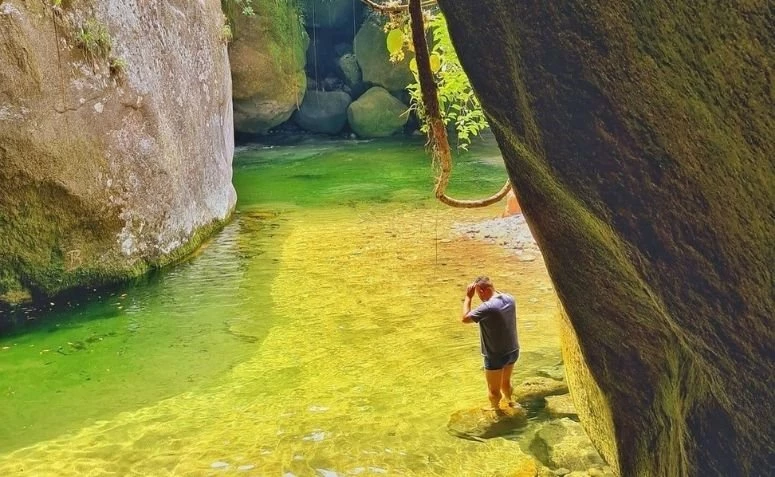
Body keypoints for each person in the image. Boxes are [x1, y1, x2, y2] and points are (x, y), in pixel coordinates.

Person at [461, 276, 519, 410]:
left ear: (483, 290)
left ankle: (495, 410)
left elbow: (465, 318)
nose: (479, 297)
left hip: (495, 355)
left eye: (478, 293)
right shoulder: (510, 298)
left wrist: (468, 297)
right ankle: (510, 402)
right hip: (513, 350)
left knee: (493, 391)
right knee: (506, 383)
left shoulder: (488, 307)